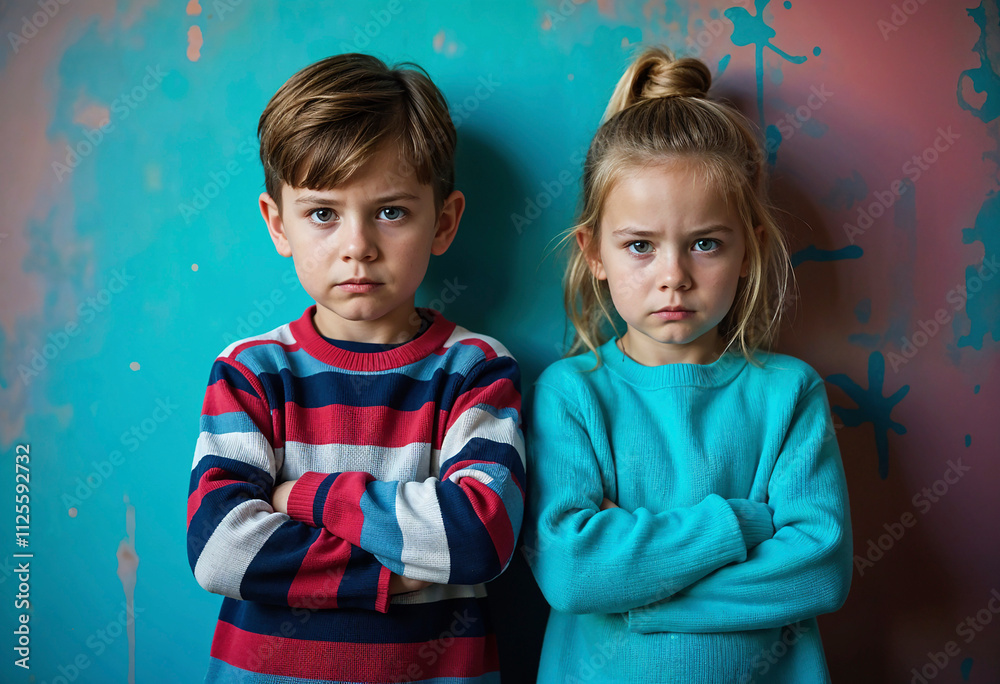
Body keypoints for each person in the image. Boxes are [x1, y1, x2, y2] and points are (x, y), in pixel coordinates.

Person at [186, 53, 524, 683]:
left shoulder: (475, 370)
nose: (358, 245)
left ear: (443, 222)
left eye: (391, 212)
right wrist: (405, 564)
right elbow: (220, 551)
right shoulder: (250, 372)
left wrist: (304, 497)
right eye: (323, 213)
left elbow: (477, 540)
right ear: (277, 223)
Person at [523, 45, 852, 683]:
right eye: (640, 246)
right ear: (594, 252)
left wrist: (642, 594)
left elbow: (818, 571)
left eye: (705, 243)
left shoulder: (788, 393)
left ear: (750, 249)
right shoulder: (569, 394)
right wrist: (741, 522)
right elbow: (571, 572)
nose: (673, 277)